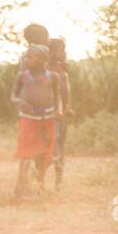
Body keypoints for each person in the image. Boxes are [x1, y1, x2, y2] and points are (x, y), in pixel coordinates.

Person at [11, 44, 63, 197]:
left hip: (47, 118)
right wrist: (21, 102)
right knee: (25, 153)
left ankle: (41, 185)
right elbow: (13, 95)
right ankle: (20, 186)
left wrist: (58, 110)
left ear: (42, 59)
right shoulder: (22, 76)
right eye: (26, 56)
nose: (27, 59)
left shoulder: (53, 76)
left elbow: (57, 96)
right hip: (28, 119)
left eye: (30, 57)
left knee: (44, 154)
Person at [46, 38, 71, 188]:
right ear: (52, 52)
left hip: (64, 114)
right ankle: (40, 178)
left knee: (60, 146)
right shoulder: (47, 70)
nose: (64, 52)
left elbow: (66, 90)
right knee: (52, 146)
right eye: (61, 49)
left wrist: (68, 106)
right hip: (52, 113)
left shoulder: (63, 68)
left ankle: (58, 180)